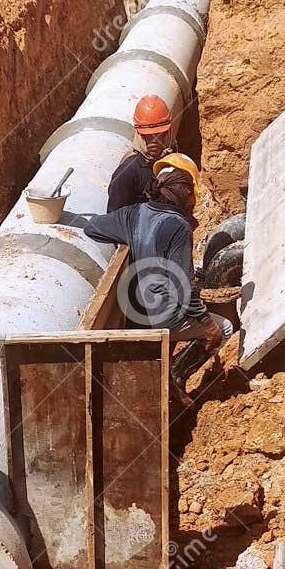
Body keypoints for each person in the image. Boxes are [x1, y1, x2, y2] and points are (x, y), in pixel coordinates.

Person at [82, 153, 231, 371]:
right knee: (224, 328)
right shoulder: (179, 227)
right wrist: (207, 323)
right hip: (163, 317)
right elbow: (183, 287)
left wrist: (131, 237)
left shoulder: (134, 214)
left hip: (137, 310)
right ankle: (178, 376)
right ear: (184, 192)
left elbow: (92, 227)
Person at [107, 94, 176, 211]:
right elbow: (113, 219)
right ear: (139, 133)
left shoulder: (173, 161)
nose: (154, 141)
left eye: (159, 134)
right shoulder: (127, 172)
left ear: (167, 133)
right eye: (147, 135)